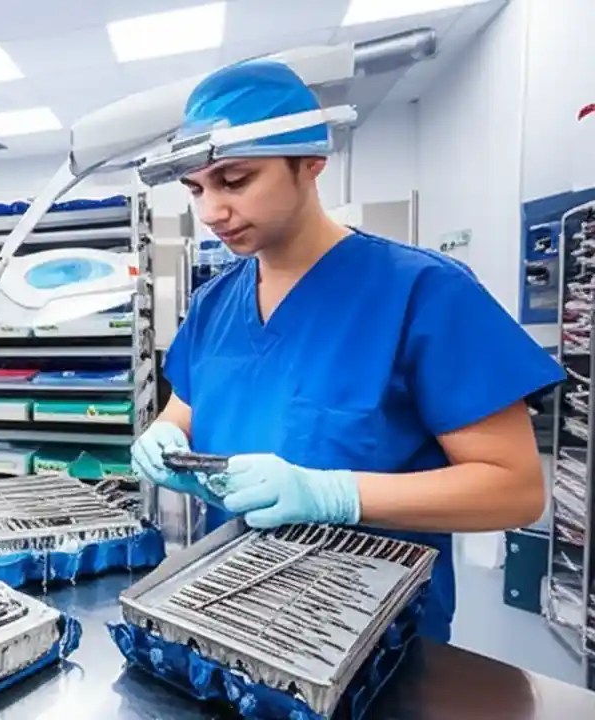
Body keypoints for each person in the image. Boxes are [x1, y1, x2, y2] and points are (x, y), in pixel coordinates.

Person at [130, 59, 564, 643]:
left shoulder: (424, 292)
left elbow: (512, 490)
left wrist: (331, 494)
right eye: (197, 189)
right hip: (231, 605)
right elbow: (185, 409)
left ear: (311, 163)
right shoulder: (213, 305)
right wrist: (165, 441)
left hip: (365, 627)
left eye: (235, 181)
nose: (211, 212)